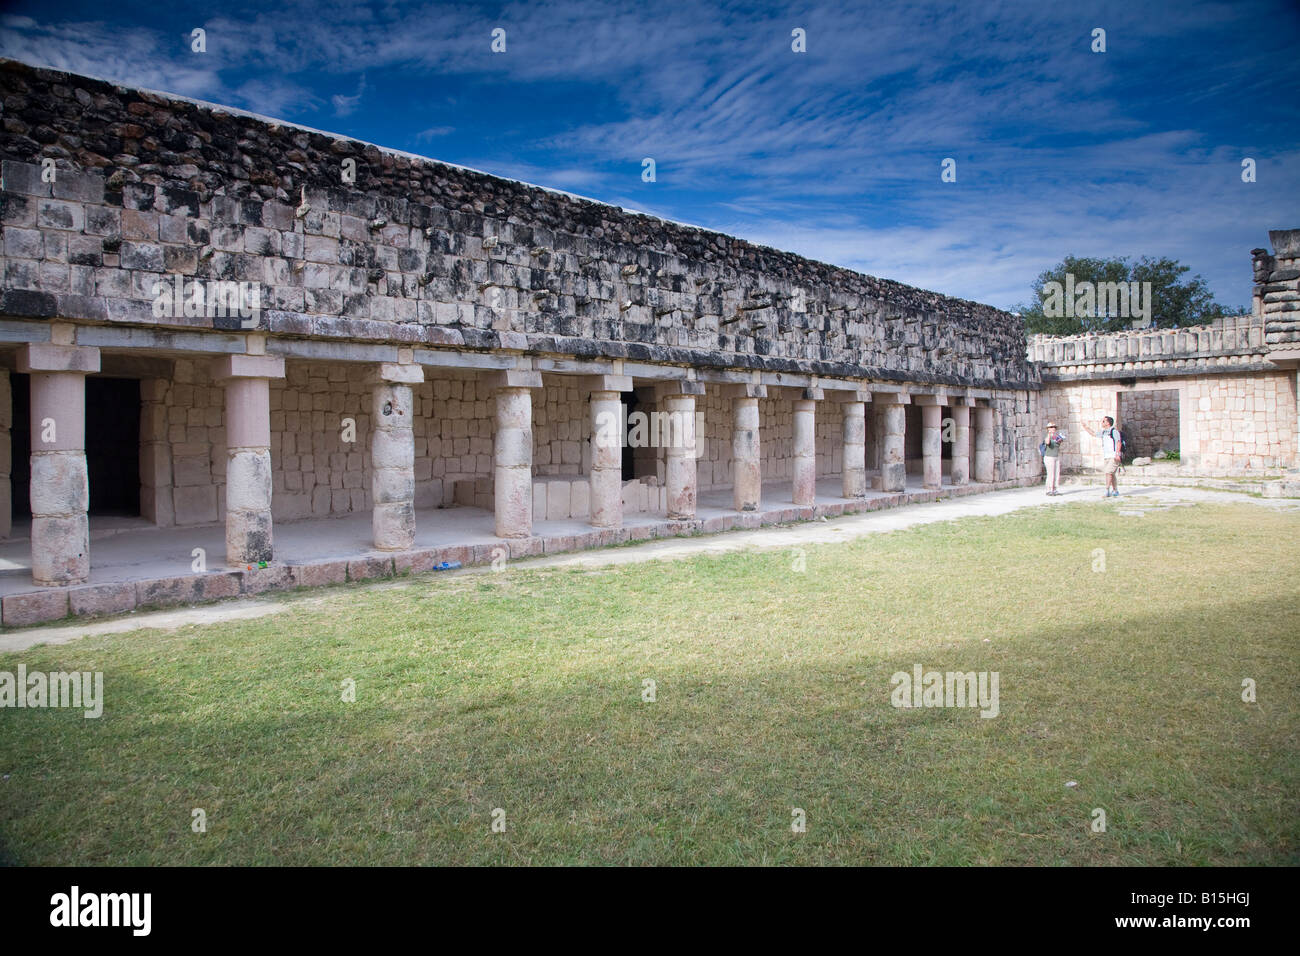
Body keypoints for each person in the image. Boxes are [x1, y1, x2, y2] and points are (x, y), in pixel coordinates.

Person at [1079, 416, 1123, 497]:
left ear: (1108, 423)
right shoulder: (1103, 432)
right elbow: (1093, 433)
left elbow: (1118, 442)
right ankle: (1115, 490)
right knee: (1111, 474)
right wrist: (1085, 427)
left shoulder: (1114, 431)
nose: (1102, 422)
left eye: (1103, 421)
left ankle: (1107, 490)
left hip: (1113, 456)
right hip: (1107, 456)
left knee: (1108, 472)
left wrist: (1117, 454)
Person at [1042, 422, 1065, 495]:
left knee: (1056, 473)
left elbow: (1059, 443)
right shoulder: (1047, 437)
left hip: (1056, 456)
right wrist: (1049, 434)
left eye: (1054, 427)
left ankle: (1055, 489)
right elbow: (1047, 442)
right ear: (1048, 429)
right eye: (1051, 427)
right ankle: (1049, 489)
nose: (1053, 428)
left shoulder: (1057, 437)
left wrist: (1060, 438)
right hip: (1049, 457)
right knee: (1050, 474)